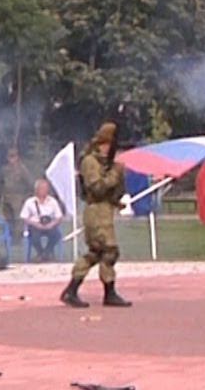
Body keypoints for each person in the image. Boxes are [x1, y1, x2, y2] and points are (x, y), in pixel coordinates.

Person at [61, 121, 131, 309]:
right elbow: (97, 188)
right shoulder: (90, 162)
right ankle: (107, 292)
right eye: (109, 145)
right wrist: (114, 174)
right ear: (102, 143)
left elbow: (107, 192)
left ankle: (73, 290)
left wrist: (116, 200)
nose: (110, 149)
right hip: (96, 212)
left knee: (97, 252)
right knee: (109, 250)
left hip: (104, 210)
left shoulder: (103, 163)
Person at [21, 179, 63, 263]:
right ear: (36, 190)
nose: (44, 190)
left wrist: (51, 224)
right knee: (34, 237)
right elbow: (24, 217)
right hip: (35, 226)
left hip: (50, 225)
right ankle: (41, 253)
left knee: (56, 235)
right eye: (42, 188)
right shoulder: (30, 202)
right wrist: (35, 224)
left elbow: (59, 217)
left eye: (46, 188)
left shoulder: (53, 201)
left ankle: (45, 253)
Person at [0, 148, 36, 233]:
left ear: (17, 157)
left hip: (18, 198)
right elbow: (1, 182)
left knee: (18, 219)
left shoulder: (22, 169)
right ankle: (10, 235)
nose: (11, 159)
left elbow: (30, 182)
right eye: (10, 157)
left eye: (13, 156)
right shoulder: (5, 170)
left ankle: (18, 237)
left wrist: (27, 194)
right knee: (8, 218)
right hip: (6, 198)